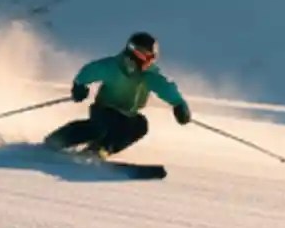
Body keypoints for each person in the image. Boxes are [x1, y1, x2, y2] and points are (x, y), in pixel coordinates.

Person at [43, 32, 191, 158]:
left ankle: (101, 150)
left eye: (151, 58)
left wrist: (179, 105)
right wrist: (80, 86)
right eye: (145, 56)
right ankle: (58, 140)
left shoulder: (149, 75)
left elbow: (166, 88)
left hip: (127, 115)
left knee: (140, 125)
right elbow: (90, 70)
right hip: (105, 109)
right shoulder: (113, 67)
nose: (148, 62)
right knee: (100, 128)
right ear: (134, 52)